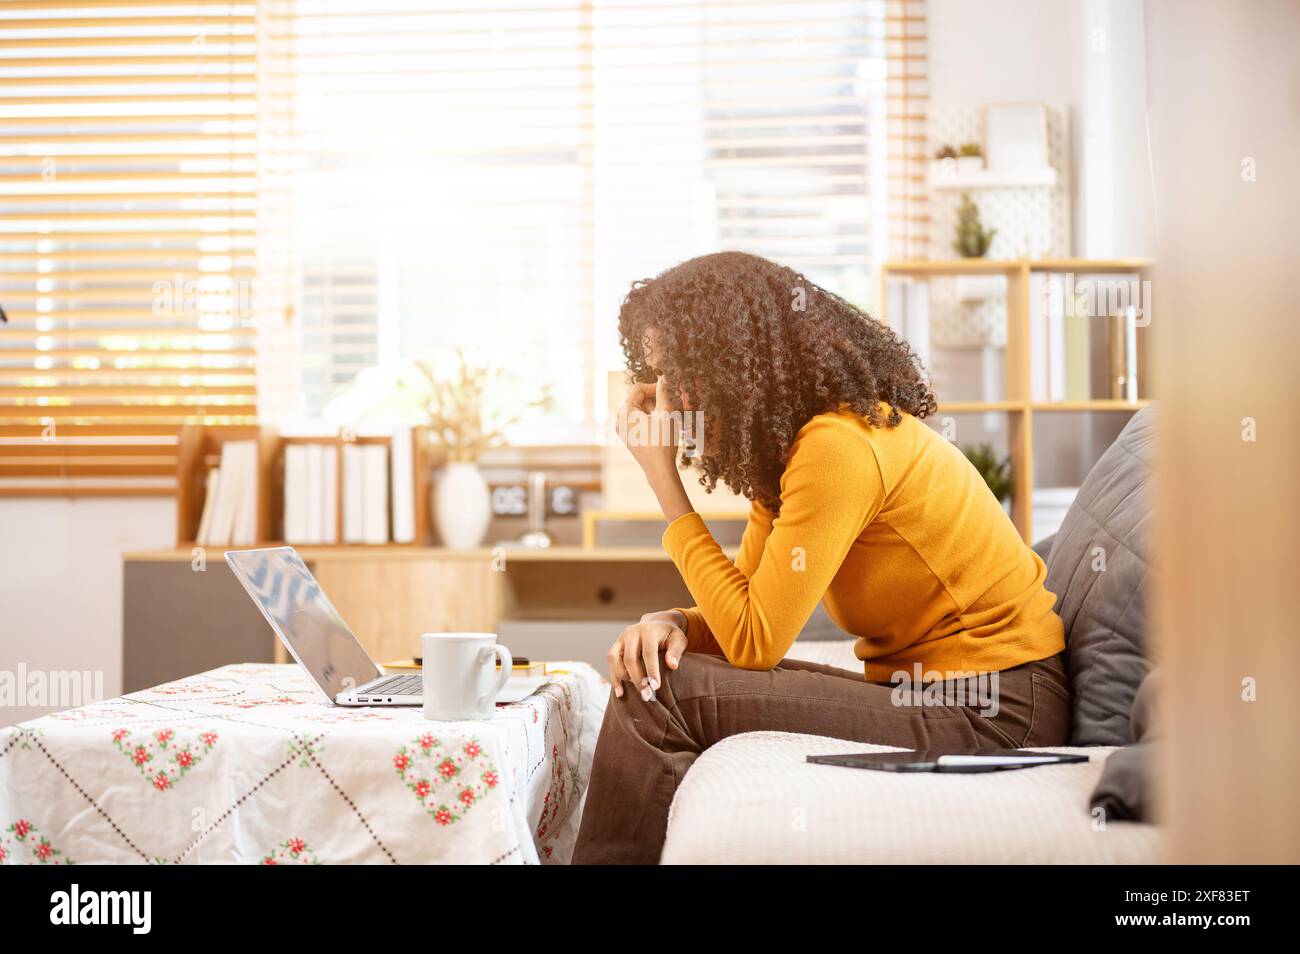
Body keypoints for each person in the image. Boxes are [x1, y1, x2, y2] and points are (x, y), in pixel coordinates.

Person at [572, 251, 1069, 864]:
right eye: (654, 375)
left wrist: (665, 488)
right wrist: (674, 624)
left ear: (729, 364)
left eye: (672, 371)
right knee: (660, 669)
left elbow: (757, 642)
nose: (664, 398)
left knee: (654, 691)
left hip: (996, 710)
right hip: (945, 692)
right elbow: (745, 619)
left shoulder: (837, 448)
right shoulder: (789, 457)